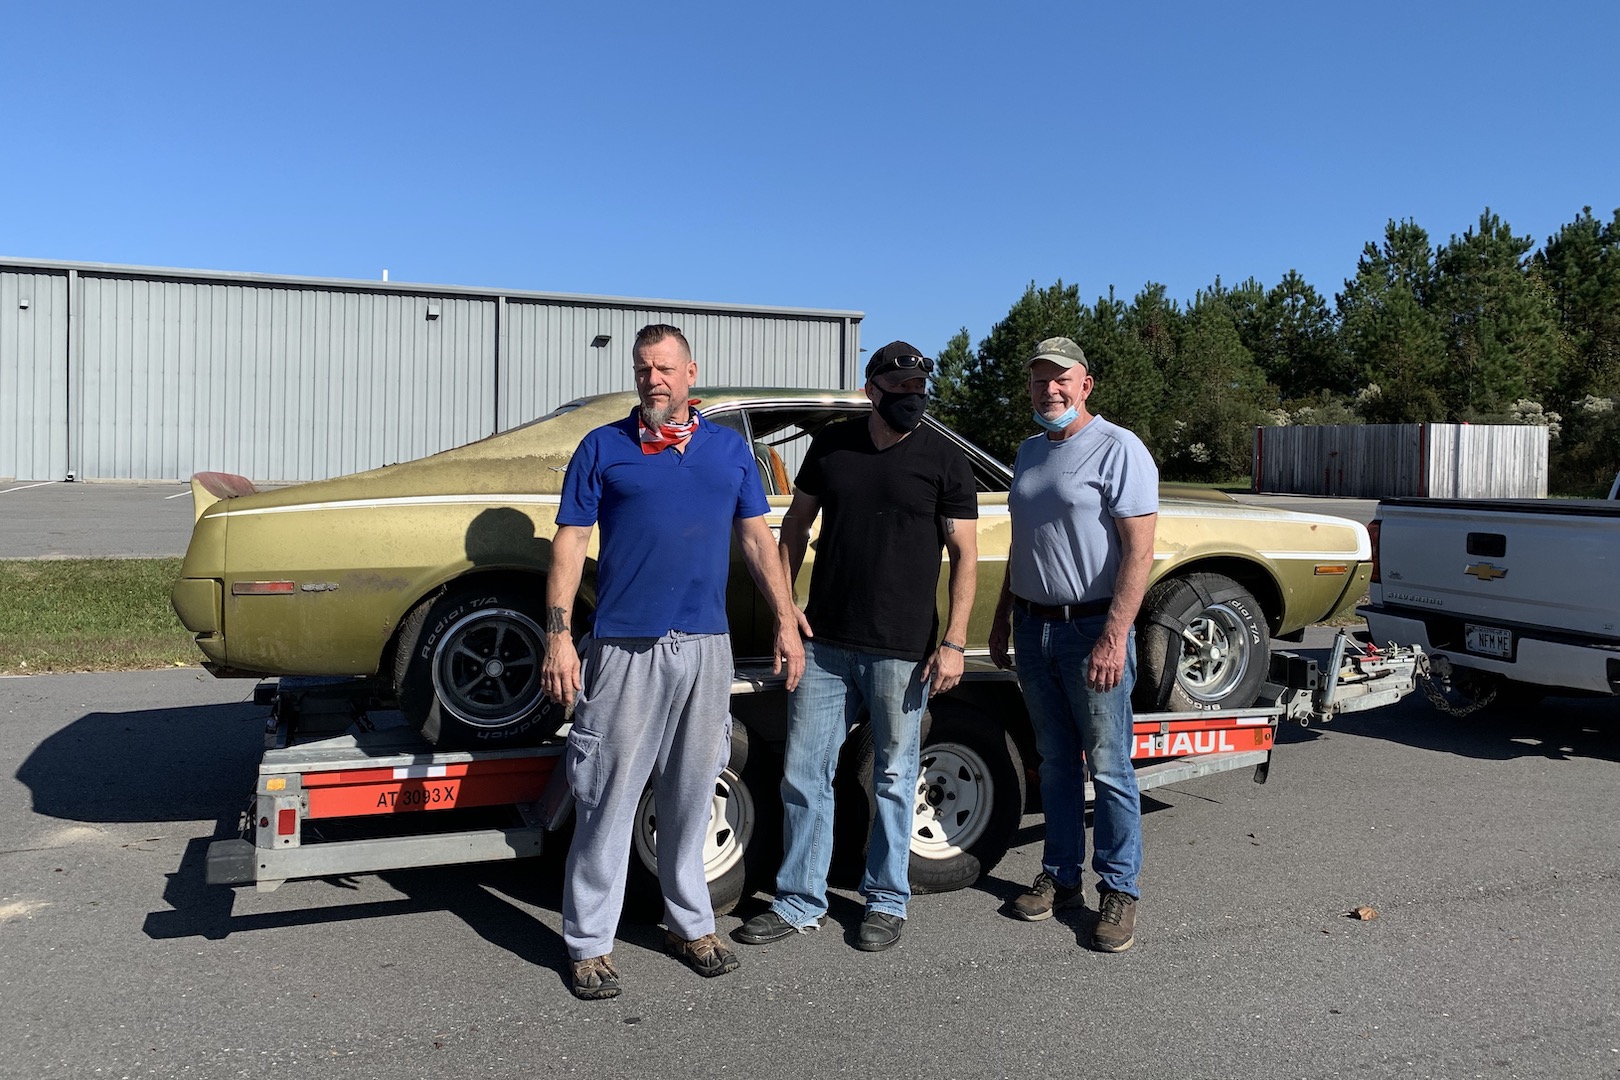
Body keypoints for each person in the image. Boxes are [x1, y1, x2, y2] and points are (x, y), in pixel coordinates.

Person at [542, 323, 805, 1000]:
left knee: (693, 792)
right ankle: (589, 944)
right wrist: (559, 635)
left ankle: (690, 926)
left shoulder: (729, 451)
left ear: (691, 374)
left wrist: (786, 619)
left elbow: (757, 541)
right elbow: (570, 542)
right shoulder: (603, 447)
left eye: (664, 368)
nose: (652, 379)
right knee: (606, 795)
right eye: (642, 369)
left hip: (706, 646)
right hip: (625, 646)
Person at [734, 340, 978, 953]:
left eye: (919, 390)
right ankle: (799, 901)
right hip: (824, 644)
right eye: (899, 391)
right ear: (872, 391)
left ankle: (887, 900)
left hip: (904, 649)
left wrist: (954, 641)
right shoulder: (832, 445)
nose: (912, 400)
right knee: (804, 774)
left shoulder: (945, 459)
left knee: (895, 777)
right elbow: (795, 525)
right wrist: (785, 611)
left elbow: (965, 555)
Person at [988, 336, 1158, 953]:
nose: (1050, 390)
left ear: (1085, 385)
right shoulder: (1029, 451)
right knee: (1056, 762)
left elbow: (1139, 551)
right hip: (1034, 627)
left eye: (1061, 379)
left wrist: (1115, 635)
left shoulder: (1119, 447)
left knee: (1108, 766)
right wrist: (1002, 618)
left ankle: (1119, 889)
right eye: (1039, 380)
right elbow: (1025, 542)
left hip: (1092, 630)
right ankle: (1061, 876)